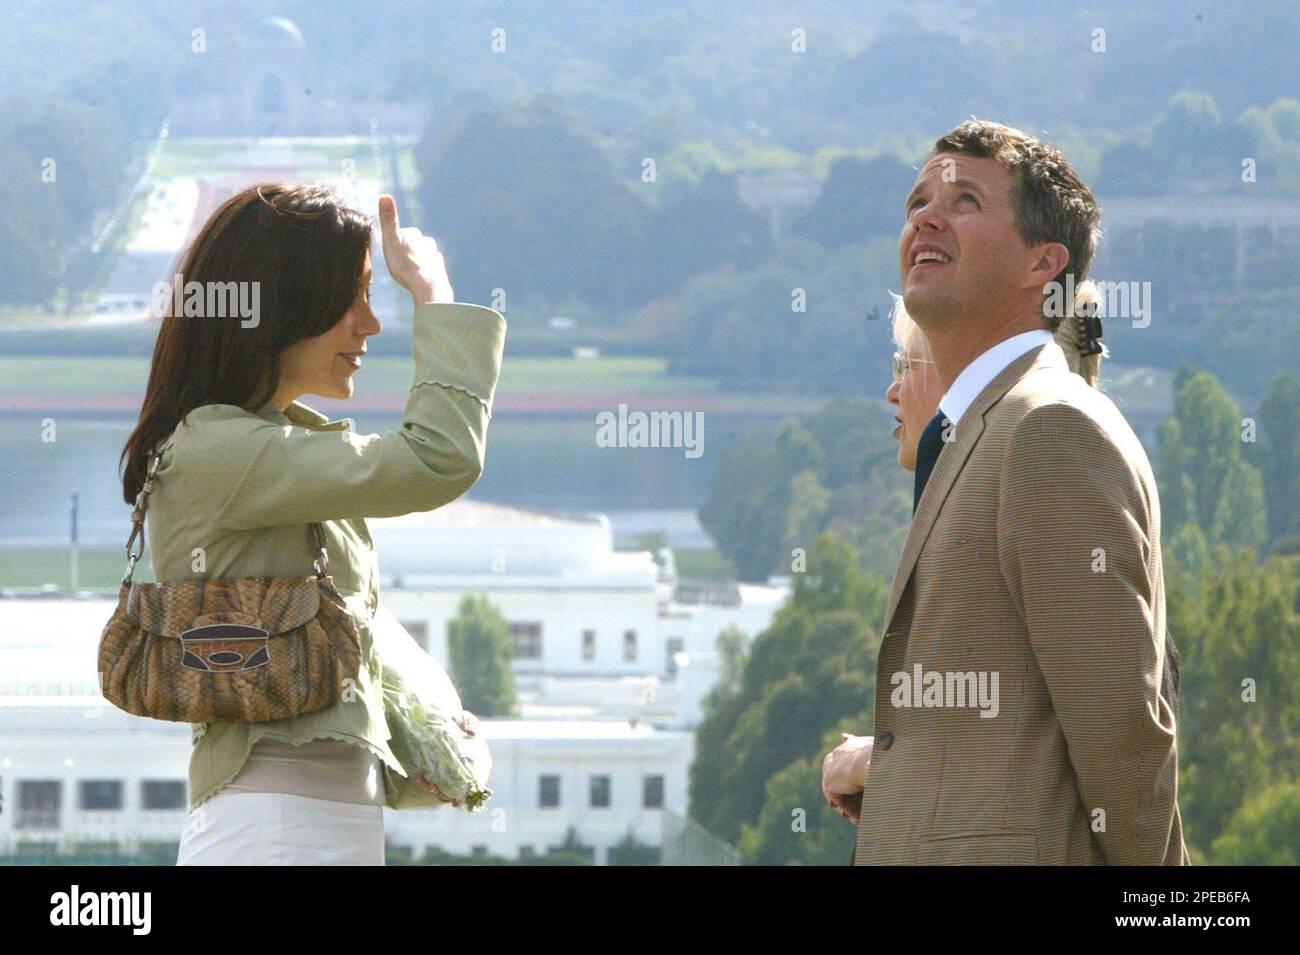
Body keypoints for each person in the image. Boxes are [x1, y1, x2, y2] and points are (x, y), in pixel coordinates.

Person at [831, 119, 1188, 865]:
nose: (925, 215)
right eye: (918, 200)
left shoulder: (1050, 428)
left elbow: (1123, 734)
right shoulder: (984, 429)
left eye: (964, 201)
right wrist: (883, 769)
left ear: (1042, 263)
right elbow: (1003, 733)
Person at [119, 185, 506, 864]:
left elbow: (336, 652)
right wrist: (434, 296)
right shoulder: (225, 450)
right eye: (351, 296)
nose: (369, 324)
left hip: (312, 830)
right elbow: (437, 457)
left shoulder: (270, 447)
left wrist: (427, 733)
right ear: (281, 306)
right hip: (274, 836)